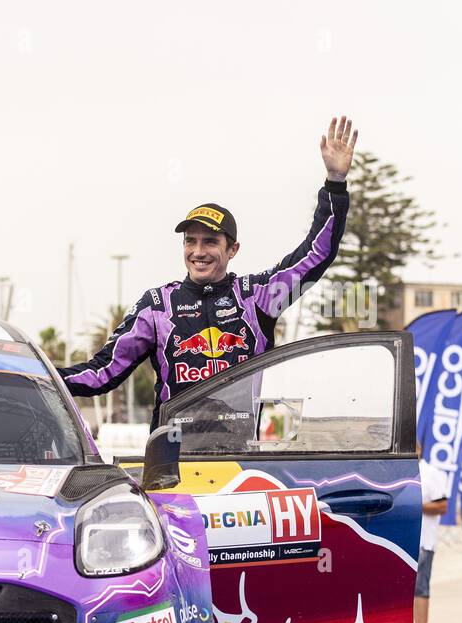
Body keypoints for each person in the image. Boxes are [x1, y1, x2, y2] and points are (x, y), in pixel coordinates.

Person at [56, 117, 357, 427]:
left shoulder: (257, 296)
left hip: (240, 450)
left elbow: (316, 254)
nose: (198, 252)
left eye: (210, 242)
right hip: (173, 451)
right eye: (190, 241)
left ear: (232, 249)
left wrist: (335, 182)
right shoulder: (157, 307)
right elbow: (103, 372)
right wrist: (39, 376)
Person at [414, 444, 448, 623]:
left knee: (420, 586)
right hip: (395, 539)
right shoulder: (393, 473)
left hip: (423, 541)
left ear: (419, 448)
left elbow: (442, 506)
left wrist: (414, 505)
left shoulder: (430, 473)